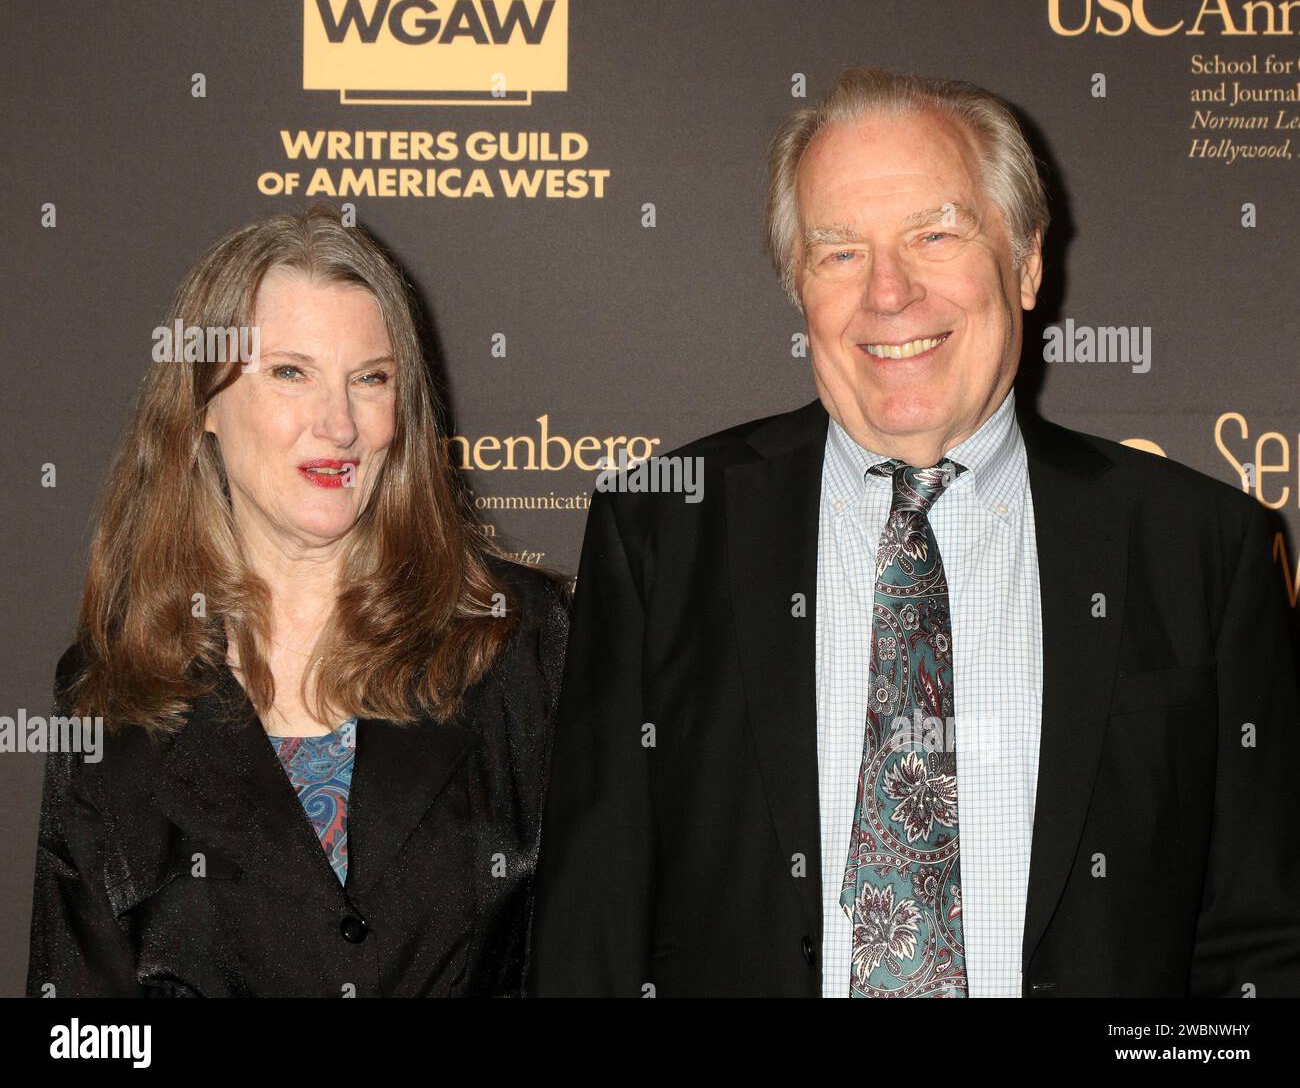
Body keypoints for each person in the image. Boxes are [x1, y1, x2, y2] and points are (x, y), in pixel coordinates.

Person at [528, 66, 1300, 997]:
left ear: (1024, 265)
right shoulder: (662, 529)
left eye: (935, 235)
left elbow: (1262, 948)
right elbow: (590, 934)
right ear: (796, 287)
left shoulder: (1202, 548)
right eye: (839, 251)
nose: (889, 294)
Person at [26, 202, 569, 997]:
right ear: (204, 403)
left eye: (370, 379)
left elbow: (614, 952)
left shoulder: (522, 644)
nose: (339, 423)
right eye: (290, 372)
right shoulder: (113, 695)